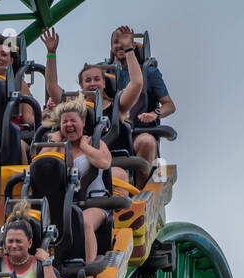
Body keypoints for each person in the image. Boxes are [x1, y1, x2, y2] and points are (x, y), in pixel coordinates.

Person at [48, 97, 112, 262]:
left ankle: (90, 269)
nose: (69, 124)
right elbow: (40, 170)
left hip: (94, 203)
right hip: (64, 205)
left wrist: (84, 147)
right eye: (65, 121)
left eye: (73, 120)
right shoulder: (57, 146)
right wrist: (53, 144)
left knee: (83, 222)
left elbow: (104, 163)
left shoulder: (94, 142)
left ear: (83, 122)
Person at [109, 25, 174, 188]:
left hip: (139, 132)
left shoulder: (149, 73)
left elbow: (169, 105)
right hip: (112, 134)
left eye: (125, 42)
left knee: (147, 143)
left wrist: (155, 113)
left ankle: (140, 191)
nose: (120, 46)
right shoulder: (104, 74)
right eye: (116, 42)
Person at [40, 28, 142, 128]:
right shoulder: (74, 105)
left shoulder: (117, 106)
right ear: (81, 85)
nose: (93, 83)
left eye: (97, 79)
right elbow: (52, 86)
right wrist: (51, 53)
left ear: (104, 83)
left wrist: (128, 49)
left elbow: (137, 83)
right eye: (88, 80)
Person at [0, 32, 36, 127]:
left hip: (12, 133)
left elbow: (29, 118)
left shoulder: (18, 84)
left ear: (11, 60)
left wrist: (46, 116)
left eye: (4, 55)